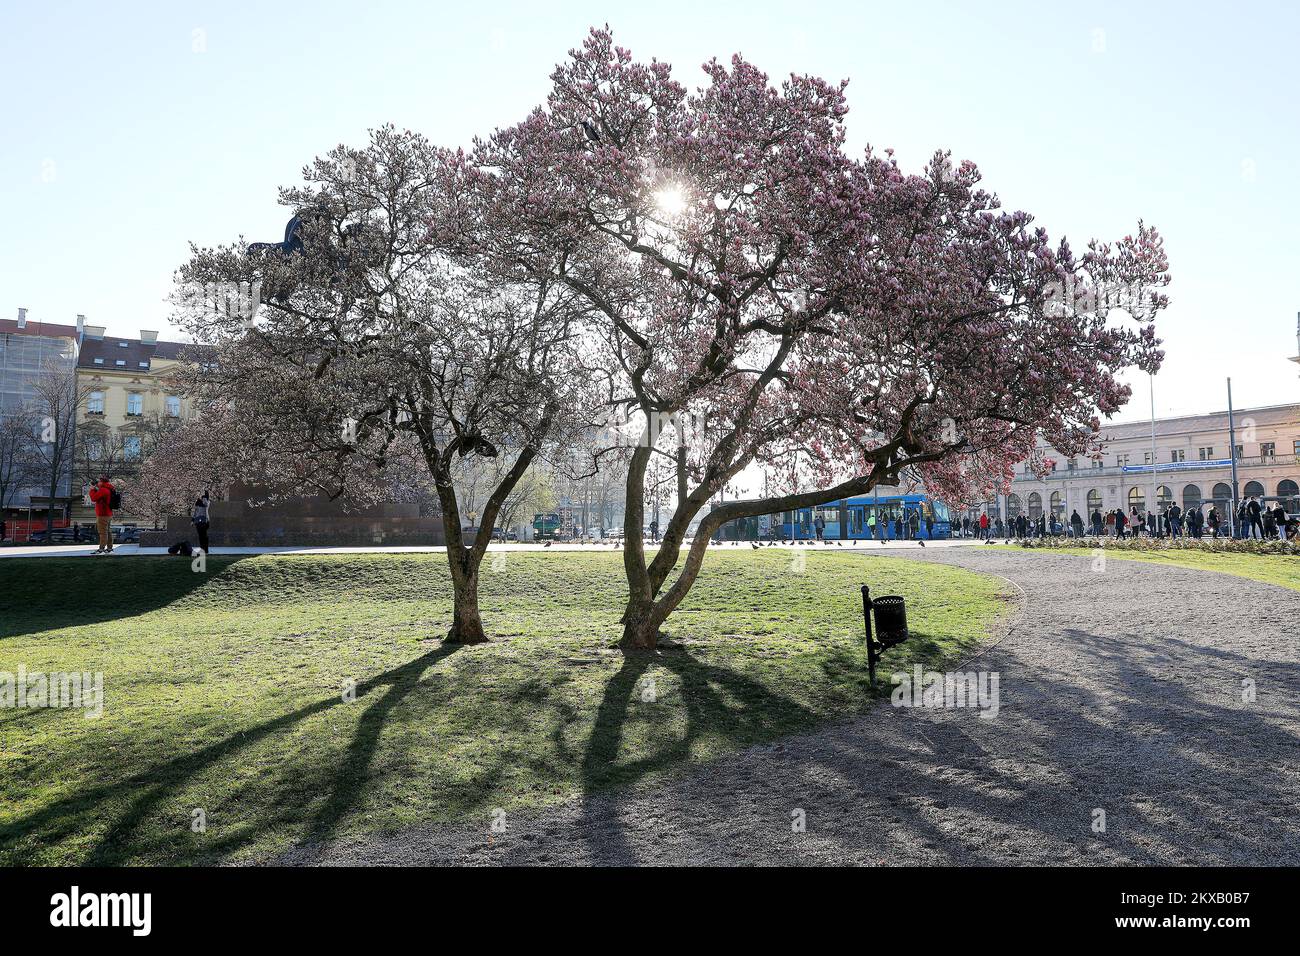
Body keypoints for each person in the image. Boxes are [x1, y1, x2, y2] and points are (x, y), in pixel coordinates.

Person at [87, 475, 115, 554]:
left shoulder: (103, 490)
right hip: (108, 514)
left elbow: (94, 498)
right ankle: (109, 548)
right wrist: (96, 489)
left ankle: (101, 549)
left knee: (102, 532)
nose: (98, 483)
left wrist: (92, 490)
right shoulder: (109, 489)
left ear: (102, 482)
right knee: (108, 532)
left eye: (99, 481)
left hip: (103, 514)